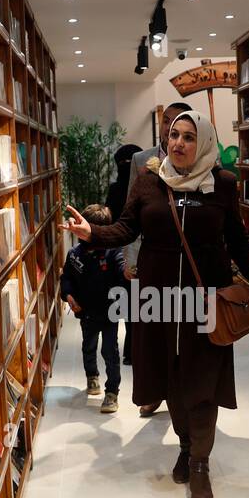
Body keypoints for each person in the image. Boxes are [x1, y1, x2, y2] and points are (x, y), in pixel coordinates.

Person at [61, 111, 249, 498]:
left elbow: (236, 240)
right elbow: (128, 228)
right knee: (172, 377)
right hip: (156, 301)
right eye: (173, 136)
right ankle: (185, 448)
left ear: (203, 143)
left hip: (206, 300)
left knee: (202, 379)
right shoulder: (150, 181)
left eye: (187, 137)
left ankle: (199, 465)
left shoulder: (222, 185)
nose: (178, 143)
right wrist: (92, 234)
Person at [129, 101, 193, 415]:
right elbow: (132, 215)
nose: (170, 128)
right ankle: (155, 392)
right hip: (151, 261)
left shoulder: (202, 164)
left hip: (186, 264)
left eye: (178, 123)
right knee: (151, 331)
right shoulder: (142, 161)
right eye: (167, 121)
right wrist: (130, 259)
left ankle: (182, 395)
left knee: (182, 334)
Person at [58, 204, 127, 414]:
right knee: (88, 346)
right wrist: (68, 296)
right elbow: (66, 277)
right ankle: (92, 376)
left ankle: (112, 392)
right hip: (85, 311)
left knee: (110, 351)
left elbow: (123, 276)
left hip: (109, 313)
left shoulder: (113, 254)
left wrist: (130, 276)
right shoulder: (75, 255)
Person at [106, 144, 143, 363]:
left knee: (128, 302)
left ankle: (130, 351)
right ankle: (136, 349)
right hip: (139, 250)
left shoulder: (115, 188)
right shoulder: (145, 186)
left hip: (120, 250)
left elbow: (111, 221)